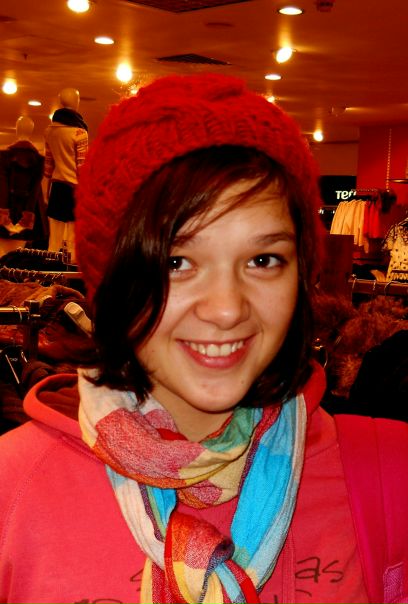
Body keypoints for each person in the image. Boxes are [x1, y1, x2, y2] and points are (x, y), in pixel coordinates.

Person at [0, 73, 406, 604]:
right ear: (111, 276)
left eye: (263, 260)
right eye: (177, 262)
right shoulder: (13, 489)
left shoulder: (387, 476)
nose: (226, 308)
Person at [43, 87, 88, 263]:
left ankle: (50, 271)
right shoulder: (80, 133)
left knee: (54, 238)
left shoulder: (49, 131)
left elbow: (48, 166)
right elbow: (82, 167)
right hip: (74, 188)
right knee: (72, 238)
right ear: (76, 102)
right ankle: (69, 273)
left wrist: (45, 192)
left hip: (56, 187)